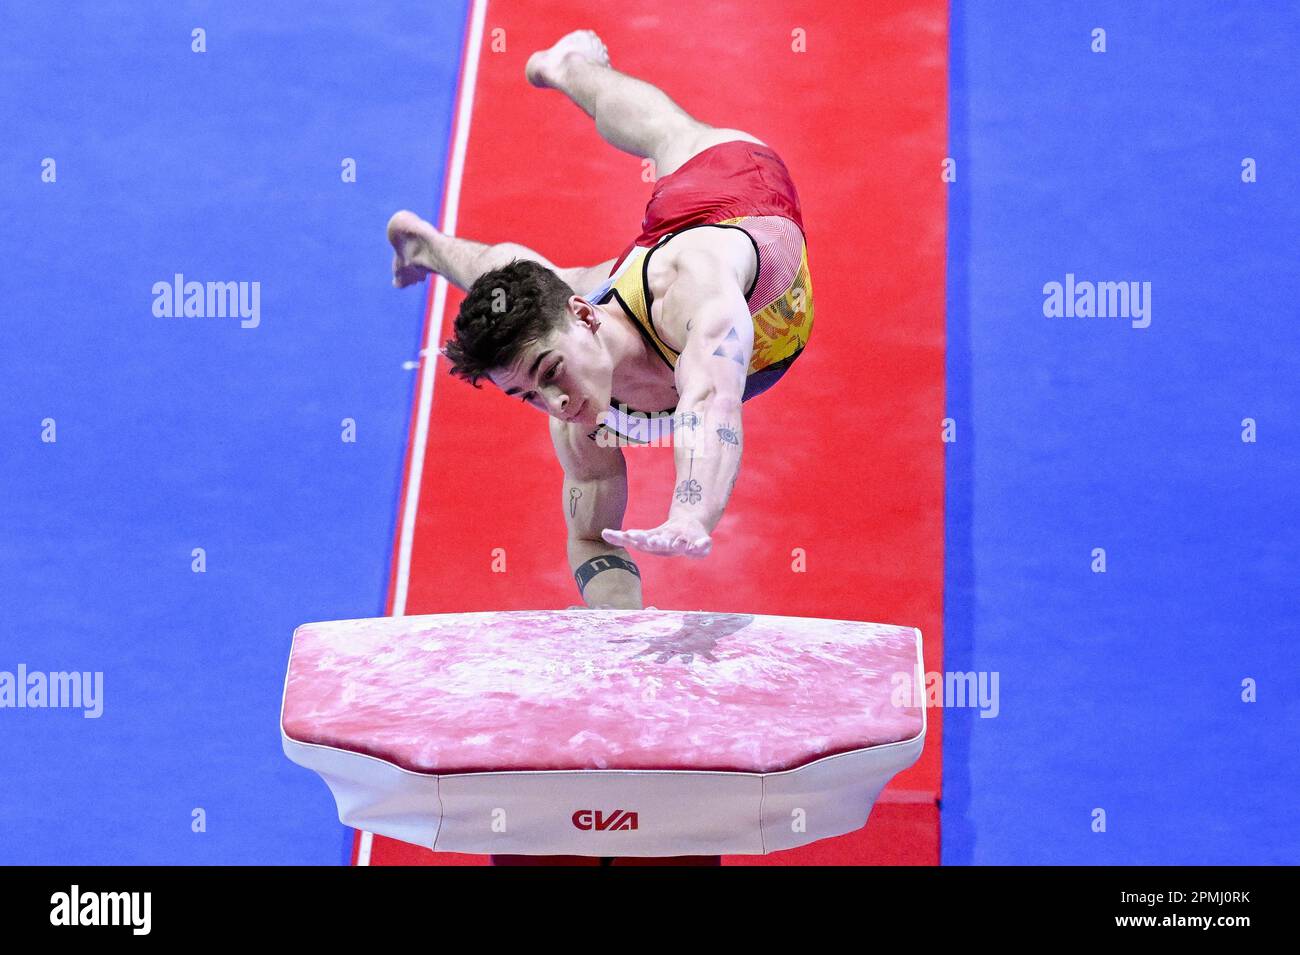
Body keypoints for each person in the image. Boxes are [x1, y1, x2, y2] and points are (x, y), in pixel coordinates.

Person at [387, 29, 813, 611]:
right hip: (616, 302)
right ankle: (427, 250)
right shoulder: (576, 413)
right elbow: (589, 536)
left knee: (672, 136)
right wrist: (621, 624)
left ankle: (569, 67)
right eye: (528, 396)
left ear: (584, 320)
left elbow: (712, 400)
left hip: (732, 196)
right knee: (525, 283)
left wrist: (691, 511)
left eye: (549, 371)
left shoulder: (689, 291)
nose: (557, 404)